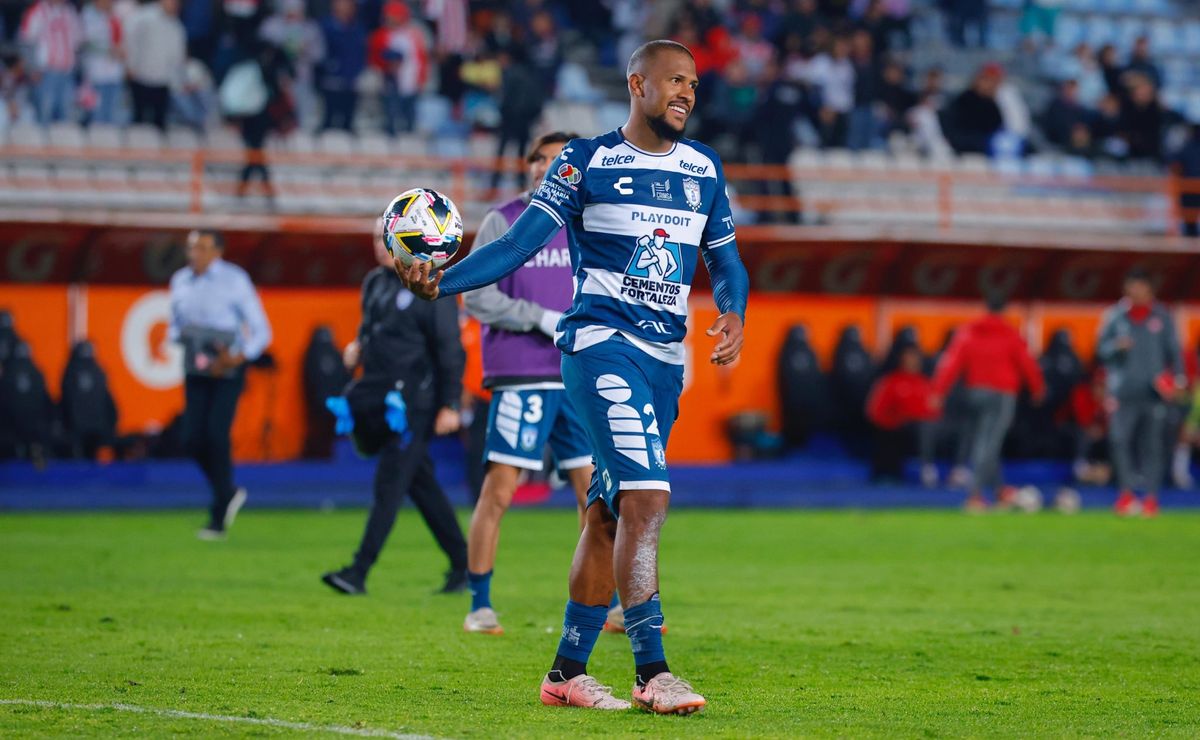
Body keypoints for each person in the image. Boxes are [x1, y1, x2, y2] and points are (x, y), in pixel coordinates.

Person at [398, 39, 749, 716]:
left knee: (609, 516)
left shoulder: (704, 169)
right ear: (636, 84)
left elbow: (726, 258)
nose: (686, 92)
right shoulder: (585, 161)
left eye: (694, 84)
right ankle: (654, 670)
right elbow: (517, 244)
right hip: (600, 346)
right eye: (674, 80)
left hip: (663, 362)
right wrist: (444, 283)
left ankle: (565, 674)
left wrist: (733, 310)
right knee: (648, 500)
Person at [460, 131, 594, 635]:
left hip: (577, 373)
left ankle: (602, 604)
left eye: (557, 159)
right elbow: (475, 294)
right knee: (499, 492)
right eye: (539, 158)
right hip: (521, 375)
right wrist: (535, 316)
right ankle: (479, 605)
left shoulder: (589, 221)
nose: (546, 166)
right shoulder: (505, 220)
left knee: (596, 496)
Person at [321, 225, 469, 596]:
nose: (379, 246)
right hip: (377, 398)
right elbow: (371, 330)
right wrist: (356, 348)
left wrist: (450, 403)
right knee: (421, 484)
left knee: (390, 482)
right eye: (374, 238)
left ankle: (359, 570)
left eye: (387, 239)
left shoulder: (432, 286)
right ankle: (464, 564)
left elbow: (450, 349)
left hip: (414, 404)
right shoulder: (374, 282)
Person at [169, 229, 272, 540]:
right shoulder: (180, 281)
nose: (193, 254)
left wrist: (238, 357)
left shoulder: (234, 280)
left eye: (201, 248)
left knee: (216, 433)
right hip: (196, 365)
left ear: (218, 252)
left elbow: (261, 331)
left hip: (227, 367)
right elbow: (174, 324)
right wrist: (187, 340)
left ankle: (218, 513)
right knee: (190, 439)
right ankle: (226, 491)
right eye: (190, 248)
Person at [931, 293, 1045, 511]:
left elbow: (951, 362)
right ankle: (974, 496)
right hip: (1002, 394)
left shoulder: (970, 332)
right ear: (1004, 310)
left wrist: (939, 391)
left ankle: (1000, 490)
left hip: (975, 392)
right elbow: (1026, 362)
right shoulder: (1009, 333)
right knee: (988, 444)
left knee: (984, 441)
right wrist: (1037, 387)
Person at [1097, 268, 1184, 517]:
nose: (1134, 292)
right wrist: (1116, 347)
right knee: (1118, 440)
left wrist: (1177, 379)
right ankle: (1126, 494)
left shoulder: (1162, 316)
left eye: (1139, 287)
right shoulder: (1115, 316)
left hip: (1154, 393)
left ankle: (1151, 498)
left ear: (1149, 289)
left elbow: (1174, 352)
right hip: (1123, 391)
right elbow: (1100, 351)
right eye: (1131, 287)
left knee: (1152, 446)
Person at [865, 344, 938, 483]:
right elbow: (875, 410)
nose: (913, 362)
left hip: (923, 428)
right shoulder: (890, 381)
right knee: (890, 436)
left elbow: (935, 410)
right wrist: (894, 420)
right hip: (896, 426)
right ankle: (887, 476)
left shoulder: (925, 383)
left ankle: (935, 469)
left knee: (930, 429)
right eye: (909, 358)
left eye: (916, 358)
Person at [125, 0, 186, 130]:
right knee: (138, 120)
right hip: (141, 76)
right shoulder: (144, 17)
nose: (174, 5)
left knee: (160, 123)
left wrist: (178, 80)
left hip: (163, 81)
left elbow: (178, 56)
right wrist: (130, 64)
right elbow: (131, 40)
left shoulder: (177, 26)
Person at [19, 0, 82, 124]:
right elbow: (26, 41)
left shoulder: (70, 11)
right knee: (44, 112)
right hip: (45, 72)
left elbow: (78, 40)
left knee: (67, 113)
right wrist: (32, 68)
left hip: (67, 71)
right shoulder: (37, 10)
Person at [80, 0, 125, 125]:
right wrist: (108, 50)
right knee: (97, 117)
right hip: (96, 76)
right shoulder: (87, 16)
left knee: (112, 117)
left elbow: (120, 41)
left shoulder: (115, 17)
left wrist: (121, 52)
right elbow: (86, 43)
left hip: (114, 74)